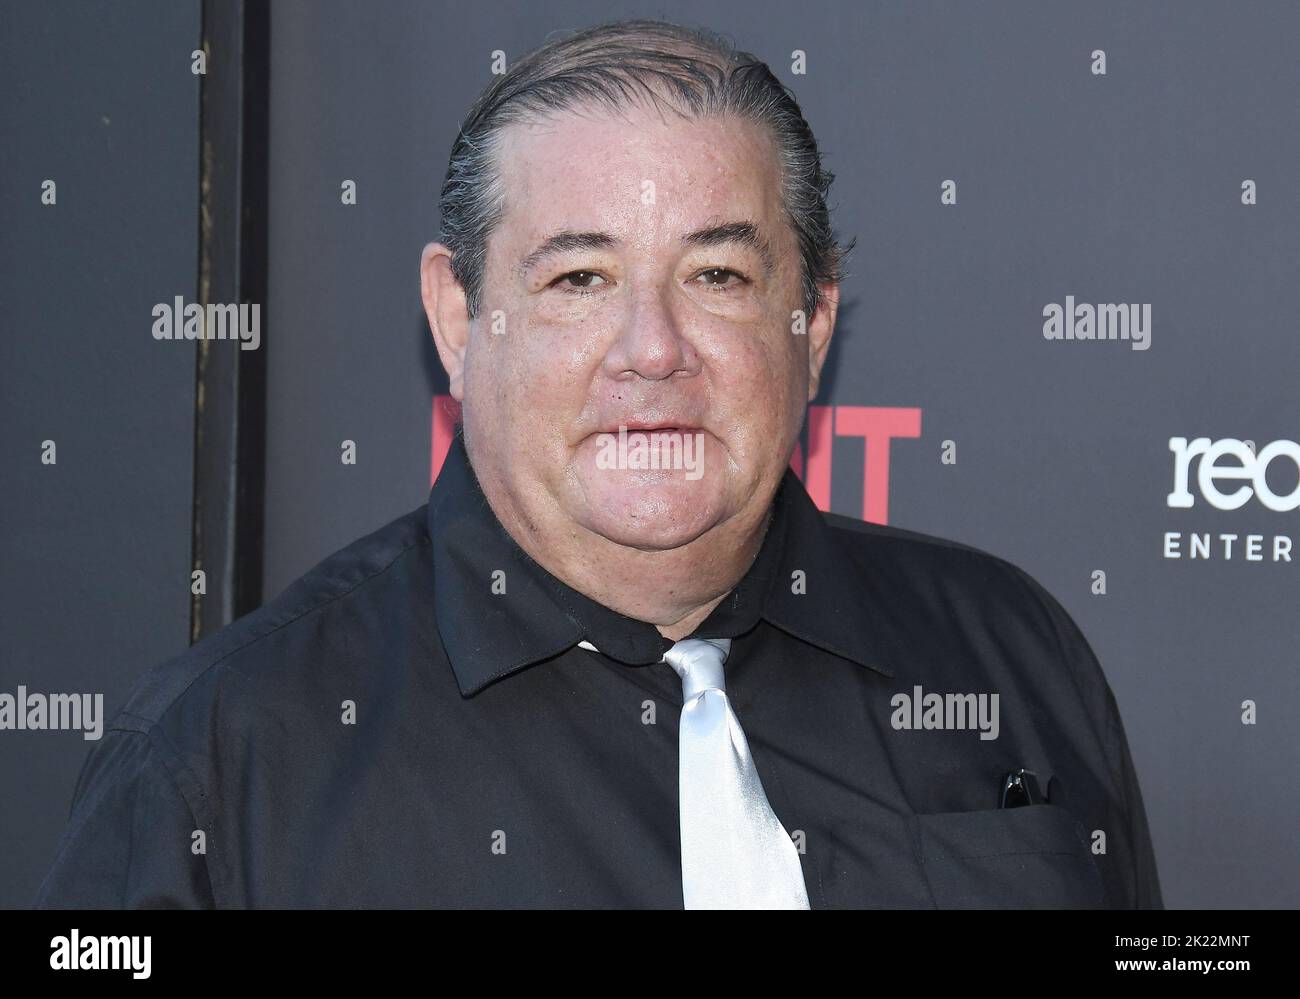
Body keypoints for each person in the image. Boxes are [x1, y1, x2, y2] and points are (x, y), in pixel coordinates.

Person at [35, 17, 1161, 909]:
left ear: (810, 319)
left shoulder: (1004, 654)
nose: (652, 352)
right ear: (458, 315)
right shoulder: (219, 762)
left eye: (716, 276)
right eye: (578, 280)